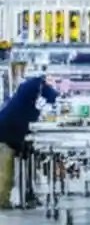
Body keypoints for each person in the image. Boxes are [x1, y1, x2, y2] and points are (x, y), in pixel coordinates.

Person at [0, 71, 58, 209]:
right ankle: (2, 201)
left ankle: (13, 198)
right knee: (4, 172)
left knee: (8, 172)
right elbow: (48, 99)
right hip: (4, 136)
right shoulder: (33, 90)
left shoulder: (28, 92)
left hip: (8, 134)